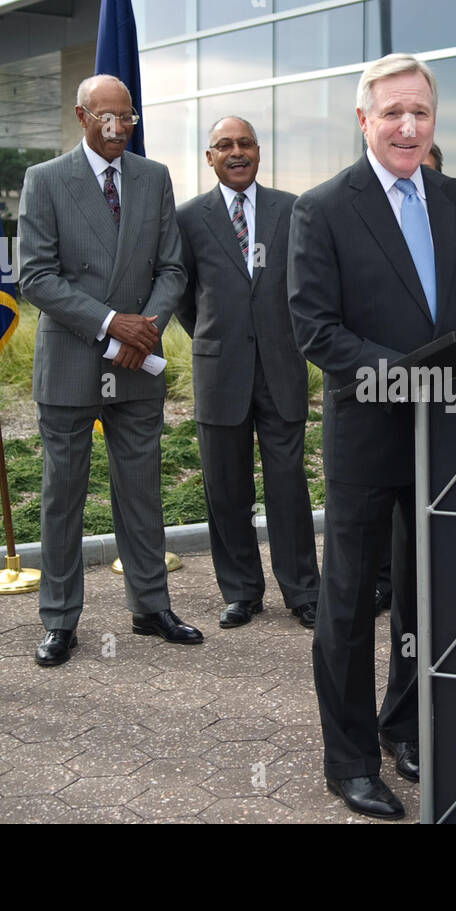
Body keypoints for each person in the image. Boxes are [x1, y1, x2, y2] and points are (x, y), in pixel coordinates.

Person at [288, 54, 456, 819]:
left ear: (434, 121)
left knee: (429, 594)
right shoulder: (322, 210)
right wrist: (416, 375)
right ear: (364, 121)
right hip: (369, 435)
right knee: (348, 603)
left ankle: (405, 728)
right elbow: (317, 332)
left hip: (447, 435)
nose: (407, 126)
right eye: (392, 113)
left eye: (420, 112)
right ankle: (348, 761)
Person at [18, 74, 199, 666]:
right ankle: (60, 619)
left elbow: (173, 268)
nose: (118, 127)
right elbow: (37, 277)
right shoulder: (44, 181)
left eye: (128, 117)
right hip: (74, 360)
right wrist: (108, 324)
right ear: (81, 116)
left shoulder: (154, 178)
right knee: (62, 496)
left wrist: (143, 325)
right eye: (106, 117)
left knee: (142, 490)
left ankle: (151, 607)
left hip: (137, 361)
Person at [175, 117, 319, 630]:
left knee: (288, 487)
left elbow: (309, 287)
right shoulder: (189, 218)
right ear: (209, 157)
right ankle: (240, 591)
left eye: (245, 143)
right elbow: (185, 300)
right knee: (225, 489)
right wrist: (218, 339)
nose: (236, 152)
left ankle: (304, 591)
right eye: (224, 145)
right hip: (220, 374)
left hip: (281, 369)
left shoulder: (294, 209)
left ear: (258, 151)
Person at [374, 141, 442, 616]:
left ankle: (417, 687)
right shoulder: (339, 212)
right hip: (375, 407)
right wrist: (403, 374)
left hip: (449, 411)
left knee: (425, 557)